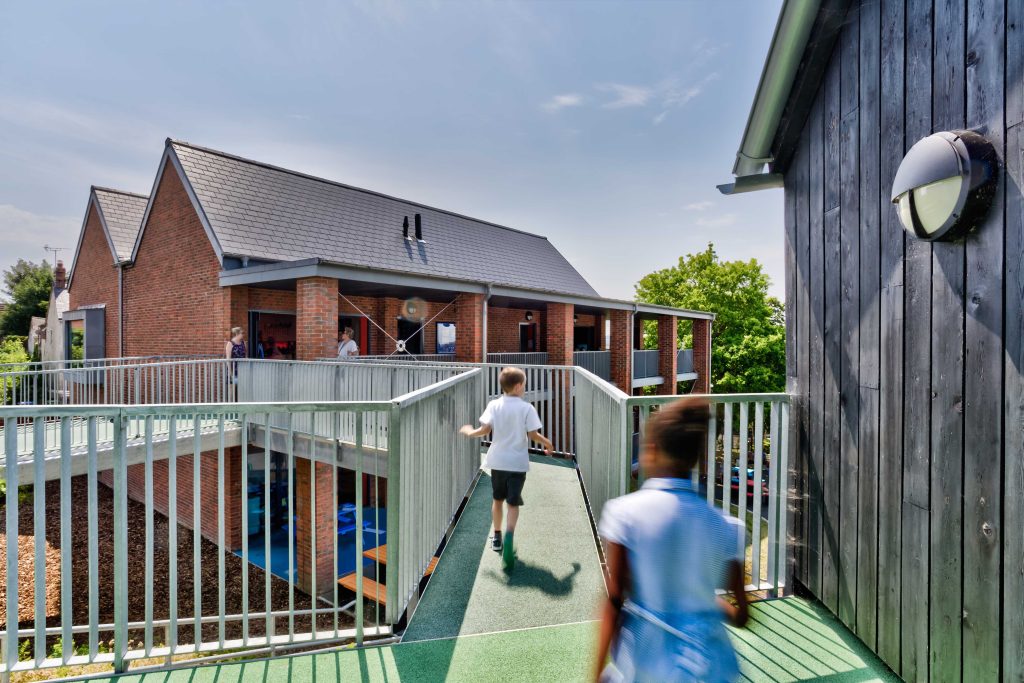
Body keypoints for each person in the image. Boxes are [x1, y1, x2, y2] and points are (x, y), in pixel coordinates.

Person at [595, 397, 749, 683]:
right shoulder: (729, 528)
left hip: (648, 663)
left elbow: (615, 600)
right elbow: (741, 616)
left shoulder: (624, 514)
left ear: (651, 452)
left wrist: (594, 675)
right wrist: (707, 600)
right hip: (713, 667)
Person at [460, 366, 553, 571]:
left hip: (498, 462)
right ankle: (510, 536)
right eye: (525, 385)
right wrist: (548, 445)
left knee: (497, 500)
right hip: (517, 463)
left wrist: (469, 432)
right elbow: (533, 435)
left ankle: (497, 536)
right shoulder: (527, 409)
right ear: (519, 386)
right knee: (513, 503)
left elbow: (484, 430)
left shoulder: (494, 405)